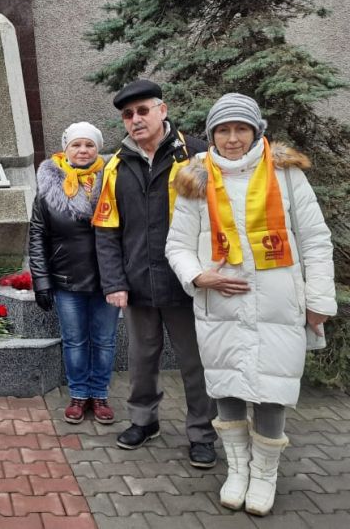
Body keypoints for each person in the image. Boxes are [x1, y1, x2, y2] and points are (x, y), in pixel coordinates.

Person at [166, 93, 336, 515]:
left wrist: (318, 300)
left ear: (256, 131)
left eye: (241, 128)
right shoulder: (196, 178)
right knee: (227, 386)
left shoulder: (285, 173)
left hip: (279, 306)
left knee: (273, 390)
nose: (232, 138)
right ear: (211, 135)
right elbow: (178, 245)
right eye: (223, 130)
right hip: (219, 305)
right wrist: (196, 275)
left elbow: (315, 239)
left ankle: (264, 474)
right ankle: (237, 470)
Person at [93, 79, 217, 468]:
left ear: (162, 110)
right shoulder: (115, 165)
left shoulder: (196, 155)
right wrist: (114, 282)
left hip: (187, 282)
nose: (135, 119)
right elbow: (106, 230)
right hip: (136, 283)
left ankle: (202, 432)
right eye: (128, 115)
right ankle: (144, 422)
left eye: (142, 110)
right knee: (142, 360)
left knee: (195, 361)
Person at [29, 122, 120, 424]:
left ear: (98, 149)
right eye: (76, 145)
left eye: (90, 145)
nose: (83, 150)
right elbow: (38, 235)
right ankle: (79, 394)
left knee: (105, 340)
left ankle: (100, 394)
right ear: (65, 149)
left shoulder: (114, 180)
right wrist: (41, 280)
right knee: (75, 341)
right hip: (67, 279)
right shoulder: (48, 186)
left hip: (108, 278)